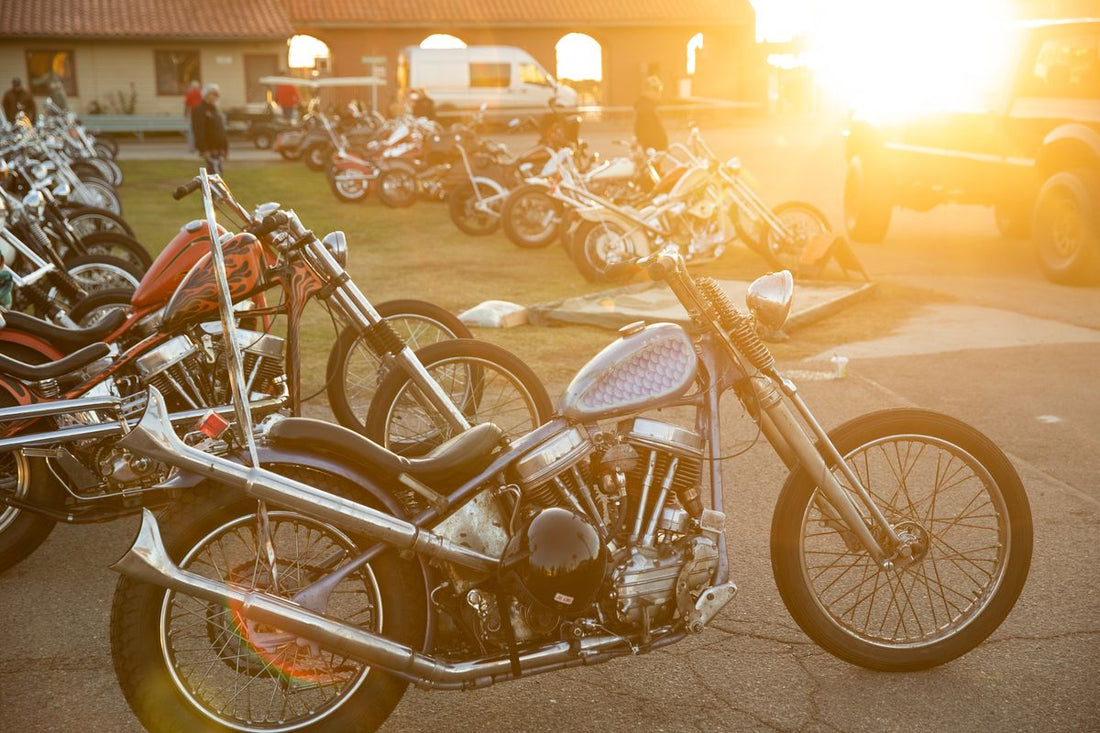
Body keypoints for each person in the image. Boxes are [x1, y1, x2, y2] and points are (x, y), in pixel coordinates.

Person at [191, 83, 228, 174]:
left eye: (217, 95)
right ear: (207, 94)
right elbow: (198, 130)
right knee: (213, 176)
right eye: (214, 94)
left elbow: (220, 130)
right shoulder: (199, 110)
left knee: (218, 178)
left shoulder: (215, 110)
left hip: (218, 150)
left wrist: (224, 147)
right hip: (209, 150)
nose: (216, 97)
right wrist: (204, 149)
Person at [633, 75, 668, 152]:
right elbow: (648, 132)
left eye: (660, 89)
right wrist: (659, 147)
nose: (658, 92)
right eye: (655, 89)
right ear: (646, 90)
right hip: (652, 151)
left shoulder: (650, 106)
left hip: (654, 151)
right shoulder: (645, 108)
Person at [183, 80, 202, 152]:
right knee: (200, 131)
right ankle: (200, 147)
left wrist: (185, 115)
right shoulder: (202, 94)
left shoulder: (189, 94)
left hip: (192, 115)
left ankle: (192, 148)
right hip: (200, 115)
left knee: (191, 132)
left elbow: (187, 106)